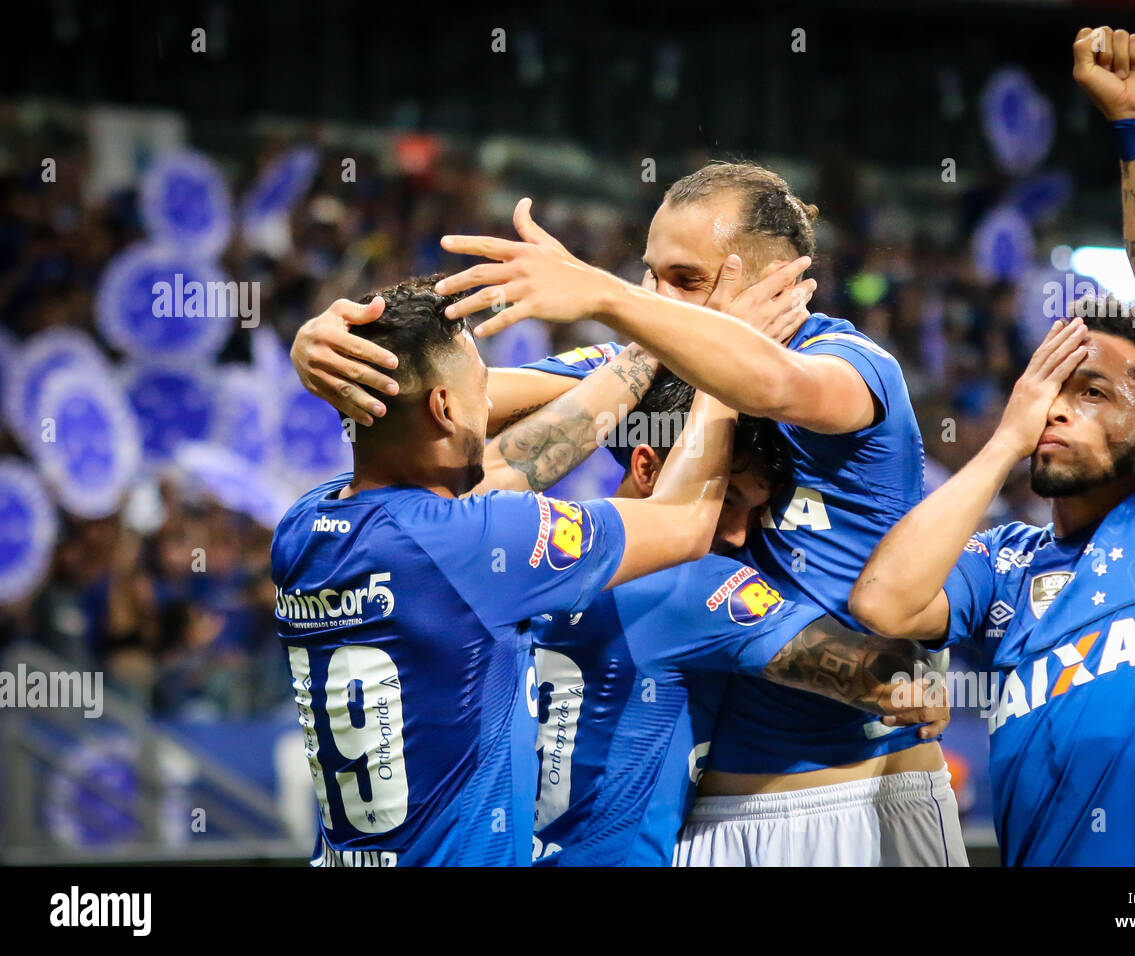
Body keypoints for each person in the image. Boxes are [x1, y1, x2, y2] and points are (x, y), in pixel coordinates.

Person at [430, 164, 964, 867]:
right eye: (649, 276)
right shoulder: (650, 358)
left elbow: (771, 381)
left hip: (859, 801)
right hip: (706, 816)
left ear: (767, 282)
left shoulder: (852, 366)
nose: (656, 297)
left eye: (683, 280)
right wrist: (327, 350)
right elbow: (447, 401)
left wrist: (606, 294)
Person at [847, 27, 1135, 865]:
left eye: (1093, 392)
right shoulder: (1003, 565)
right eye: (1047, 393)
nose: (1055, 413)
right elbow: (884, 605)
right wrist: (1001, 444)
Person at [271, 276, 737, 866]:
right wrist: (725, 352)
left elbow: (524, 458)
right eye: (480, 391)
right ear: (442, 407)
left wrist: (654, 342)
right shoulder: (471, 543)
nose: (489, 407)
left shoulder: (303, 524)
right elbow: (686, 522)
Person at [529, 375, 945, 865]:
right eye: (724, 500)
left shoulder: (539, 541)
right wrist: (918, 682)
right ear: (646, 466)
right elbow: (879, 679)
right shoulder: (688, 581)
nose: (738, 535)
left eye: (756, 511)